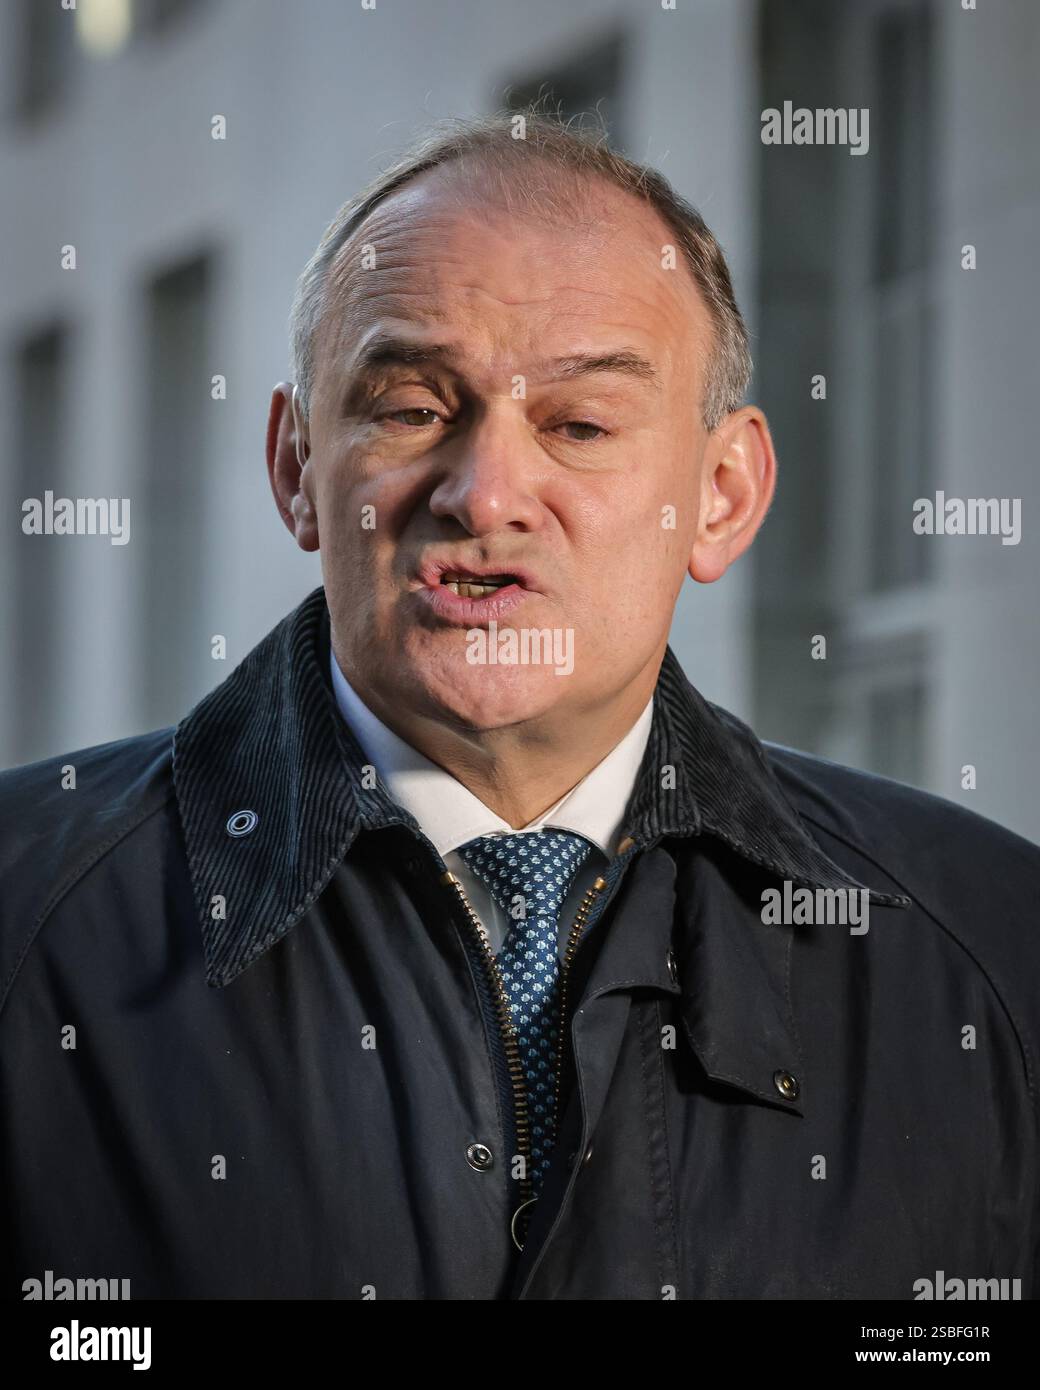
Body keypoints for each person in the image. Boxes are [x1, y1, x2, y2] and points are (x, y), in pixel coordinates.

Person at [3, 111, 1038, 1301]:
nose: (486, 491)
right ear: (296, 470)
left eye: (579, 424)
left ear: (720, 495)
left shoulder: (996, 958)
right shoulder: (25, 921)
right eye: (409, 408)